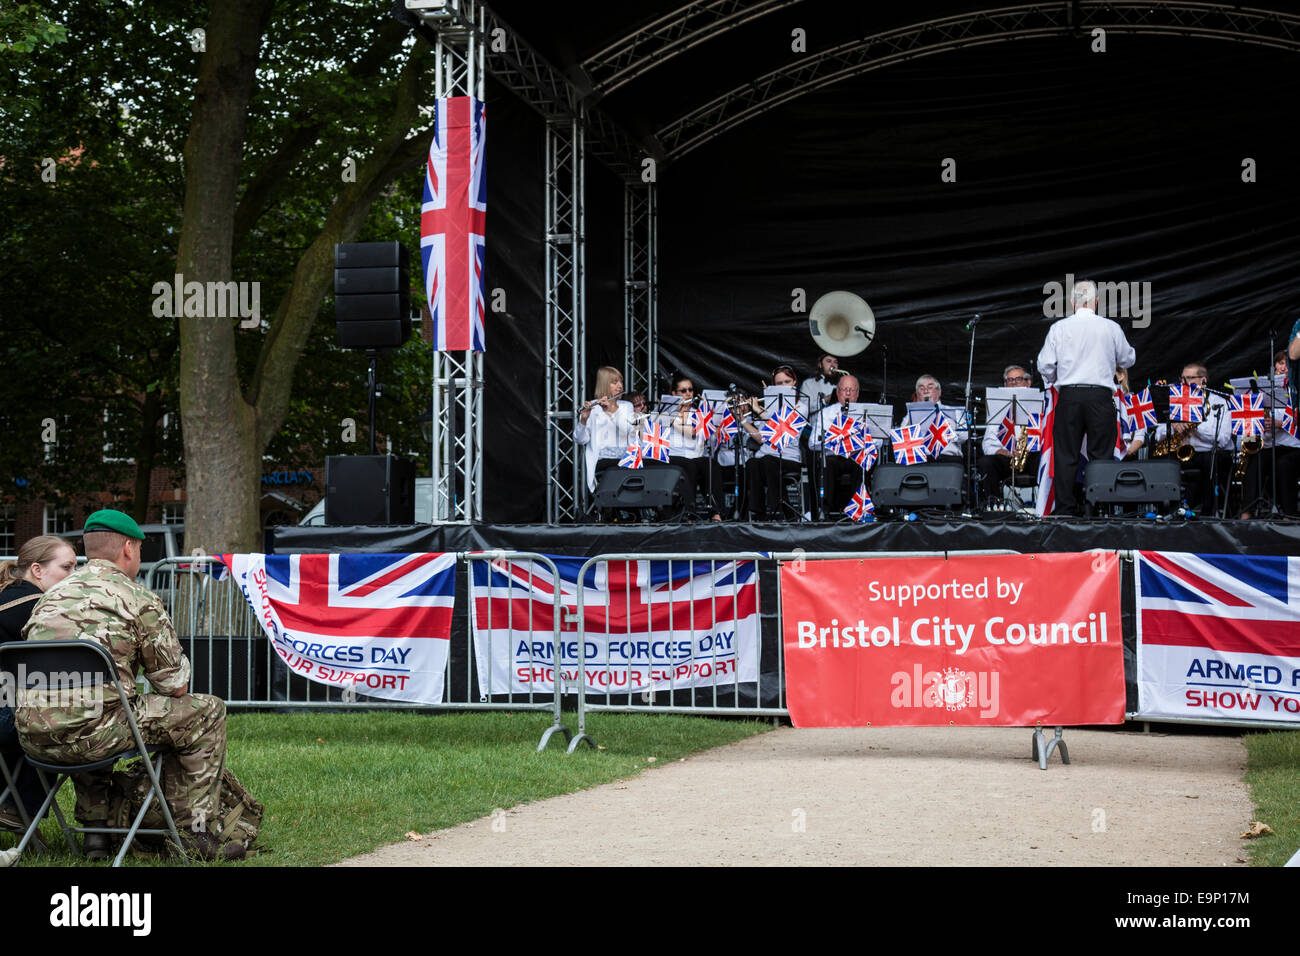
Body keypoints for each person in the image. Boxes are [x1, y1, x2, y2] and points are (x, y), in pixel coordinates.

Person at [16, 510, 241, 861]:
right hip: (94, 735)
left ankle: (96, 835)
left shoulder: (48, 600)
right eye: (138, 549)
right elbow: (176, 685)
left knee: (93, 707)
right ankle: (194, 830)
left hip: (34, 739)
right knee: (206, 710)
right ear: (128, 548)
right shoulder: (137, 598)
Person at [0, 536, 78, 841]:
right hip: (7, 717)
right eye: (66, 567)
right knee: (57, 718)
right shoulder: (41, 611)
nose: (73, 576)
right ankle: (20, 809)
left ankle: (14, 806)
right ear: (37, 570)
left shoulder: (6, 597)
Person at [1037, 279, 1136, 515]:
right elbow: (1128, 359)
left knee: (1065, 455)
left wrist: (1057, 379)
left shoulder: (1059, 328)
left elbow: (1045, 364)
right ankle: (1096, 508)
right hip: (1100, 397)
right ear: (1097, 302)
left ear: (1072, 302)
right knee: (1100, 455)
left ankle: (1065, 510)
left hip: (1069, 396)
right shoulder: (1110, 328)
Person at [743, 364, 806, 520]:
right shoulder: (768, 409)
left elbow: (783, 427)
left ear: (794, 383)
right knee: (752, 462)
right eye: (779, 383)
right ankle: (759, 513)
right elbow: (760, 438)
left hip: (789, 458)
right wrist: (742, 419)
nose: (784, 386)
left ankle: (781, 509)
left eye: (787, 382)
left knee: (768, 461)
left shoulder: (801, 407)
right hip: (767, 458)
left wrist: (759, 411)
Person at [1241, 353, 1300, 518]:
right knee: (1254, 463)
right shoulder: (1264, 391)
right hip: (1269, 445)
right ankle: (1246, 513)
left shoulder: (1297, 390)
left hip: (1294, 446)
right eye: (1280, 364)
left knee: (1284, 464)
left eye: (1287, 364)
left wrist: (1280, 424)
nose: (1283, 368)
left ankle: (1289, 514)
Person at [808, 374, 876, 515]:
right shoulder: (826, 413)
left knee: (862, 464)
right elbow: (812, 442)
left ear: (857, 393)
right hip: (834, 457)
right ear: (838, 392)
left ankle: (859, 511)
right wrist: (836, 440)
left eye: (852, 390)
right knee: (827, 465)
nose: (848, 393)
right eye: (844, 389)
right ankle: (824, 511)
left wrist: (860, 441)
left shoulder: (866, 412)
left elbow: (879, 441)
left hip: (856, 456)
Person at [661, 374, 724, 521]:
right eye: (683, 391)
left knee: (710, 464)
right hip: (673, 457)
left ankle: (716, 512)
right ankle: (688, 513)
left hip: (695, 457)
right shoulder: (665, 413)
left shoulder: (698, 413)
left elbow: (694, 434)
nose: (688, 393)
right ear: (674, 394)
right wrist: (671, 418)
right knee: (688, 464)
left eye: (690, 390)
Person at [978, 365, 1041, 504]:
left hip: (1032, 456)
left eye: (1018, 379)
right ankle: (994, 506)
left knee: (1046, 460)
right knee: (986, 462)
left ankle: (1046, 507)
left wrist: (1027, 450)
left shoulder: (1040, 403)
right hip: (1007, 458)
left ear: (1028, 383)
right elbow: (988, 443)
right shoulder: (997, 406)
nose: (1013, 383)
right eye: (1009, 380)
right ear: (1004, 384)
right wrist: (1003, 452)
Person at [574, 366, 637, 495]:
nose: (620, 386)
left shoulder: (627, 407)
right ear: (604, 384)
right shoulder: (593, 407)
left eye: (621, 382)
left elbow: (629, 430)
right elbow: (580, 440)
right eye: (615, 382)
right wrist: (583, 420)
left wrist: (610, 412)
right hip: (603, 462)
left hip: (627, 460)